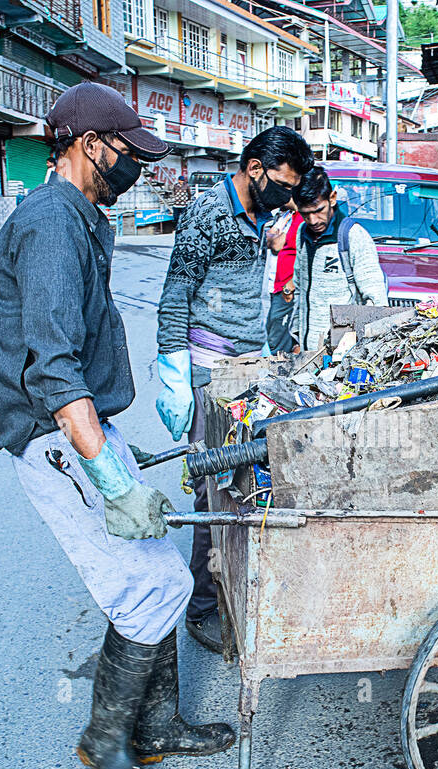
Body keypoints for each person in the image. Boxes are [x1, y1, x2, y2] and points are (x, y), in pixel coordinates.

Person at [0, 82, 234, 769]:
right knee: (143, 587)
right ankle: (107, 739)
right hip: (56, 438)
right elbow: (53, 370)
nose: (137, 168)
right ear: (89, 143)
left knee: (166, 577)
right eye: (128, 153)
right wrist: (111, 479)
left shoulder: (80, 216)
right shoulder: (53, 225)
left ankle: (157, 724)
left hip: (88, 427)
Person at [155, 125, 315, 653]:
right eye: (284, 186)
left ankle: (232, 586)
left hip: (246, 366)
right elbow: (177, 292)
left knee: (245, 484)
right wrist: (175, 372)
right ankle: (203, 607)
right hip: (208, 368)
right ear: (253, 169)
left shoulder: (258, 215)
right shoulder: (209, 213)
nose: (289, 197)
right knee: (214, 491)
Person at [291, 166, 389, 354]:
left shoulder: (353, 236)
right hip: (307, 353)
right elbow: (299, 291)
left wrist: (355, 348)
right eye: (305, 213)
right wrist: (296, 338)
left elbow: (376, 302)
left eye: (318, 210)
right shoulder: (301, 234)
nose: (312, 220)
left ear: (332, 198)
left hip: (341, 354)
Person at [264, 203, 302, 353]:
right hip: (276, 285)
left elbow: (277, 244)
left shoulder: (301, 218)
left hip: (287, 287)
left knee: (277, 338)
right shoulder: (286, 215)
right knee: (274, 330)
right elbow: (269, 240)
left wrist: (289, 286)